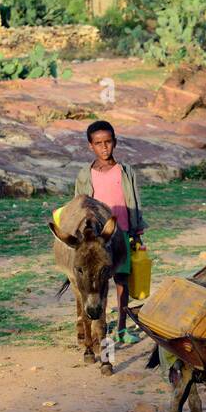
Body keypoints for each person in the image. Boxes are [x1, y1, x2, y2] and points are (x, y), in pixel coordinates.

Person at [76, 120, 146, 345]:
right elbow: (79, 204)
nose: (104, 147)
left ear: (114, 142)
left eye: (108, 142)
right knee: (96, 282)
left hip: (121, 234)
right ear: (90, 146)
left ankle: (122, 329)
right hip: (96, 240)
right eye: (98, 143)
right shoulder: (85, 175)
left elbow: (134, 201)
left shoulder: (125, 172)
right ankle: (96, 327)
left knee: (122, 282)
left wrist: (136, 232)